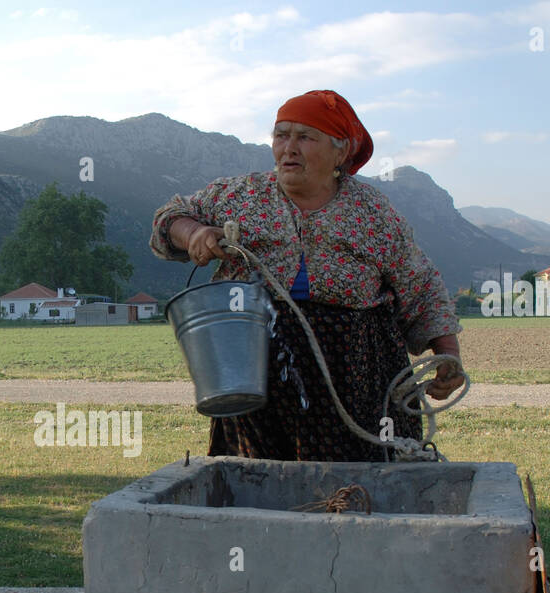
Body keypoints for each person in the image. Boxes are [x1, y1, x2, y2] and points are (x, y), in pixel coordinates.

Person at [150, 89, 466, 462]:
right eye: (281, 135)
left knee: (353, 483)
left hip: (357, 377)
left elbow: (421, 285)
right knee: (257, 479)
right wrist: (194, 233)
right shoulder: (240, 196)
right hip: (254, 370)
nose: (289, 148)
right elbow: (168, 217)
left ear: (340, 151)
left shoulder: (372, 213)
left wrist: (448, 356)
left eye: (305, 137)